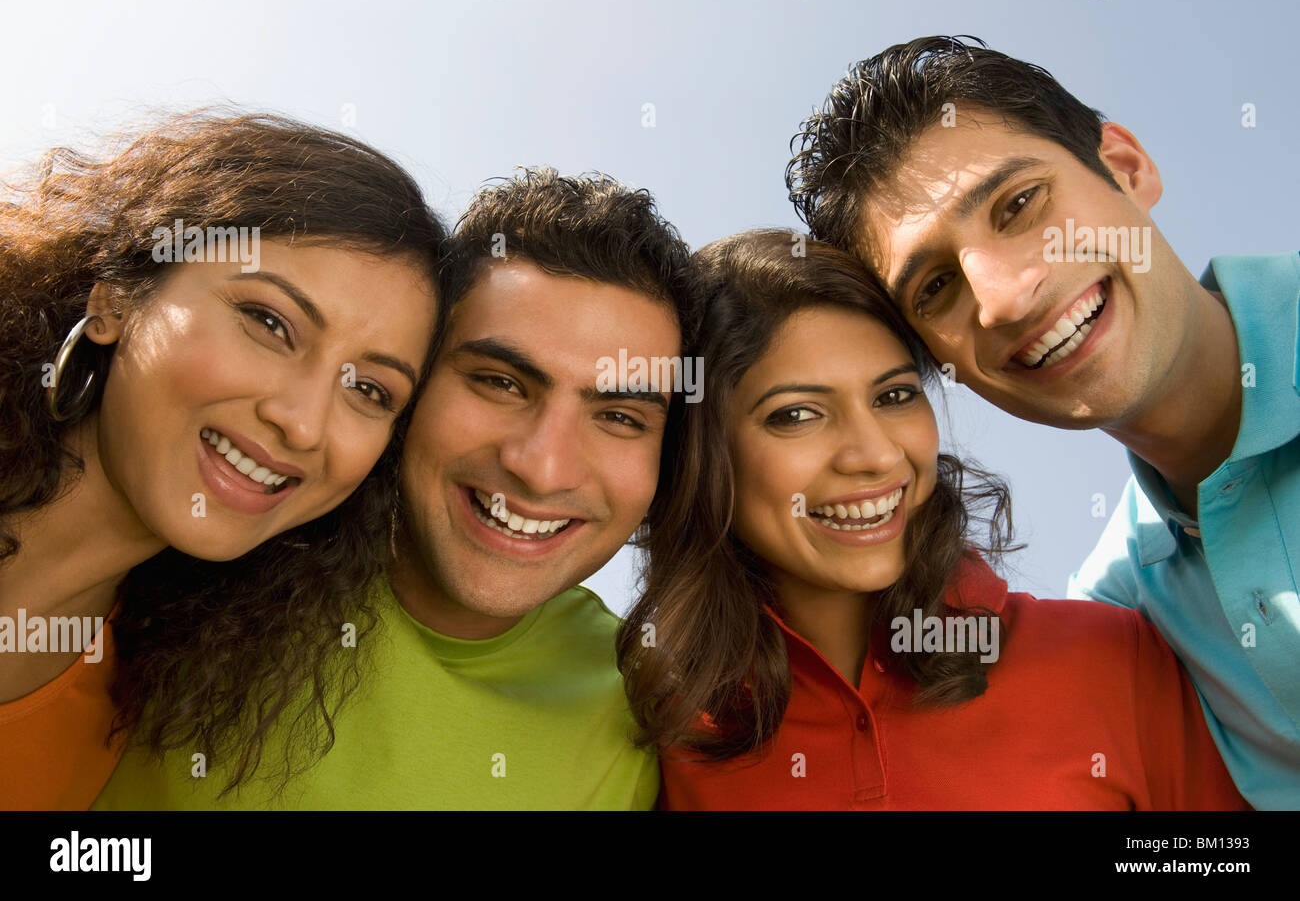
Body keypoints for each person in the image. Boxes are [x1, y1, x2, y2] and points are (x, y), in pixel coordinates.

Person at [785, 35, 1300, 809]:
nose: (1004, 298)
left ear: (1126, 168)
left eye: (1020, 205)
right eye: (934, 289)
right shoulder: (1124, 617)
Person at [93, 168, 701, 809]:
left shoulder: (649, 717)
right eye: (499, 382)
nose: (541, 467)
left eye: (620, 418)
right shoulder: (202, 553)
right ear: (409, 389)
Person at [618, 230, 1248, 809]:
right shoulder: (660, 726)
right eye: (797, 414)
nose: (877, 456)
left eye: (894, 396)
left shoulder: (1113, 656)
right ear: (701, 454)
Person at [0, 111, 444, 809]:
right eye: (270, 322)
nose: (302, 422)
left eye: (369, 389)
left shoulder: (119, 733)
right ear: (115, 295)